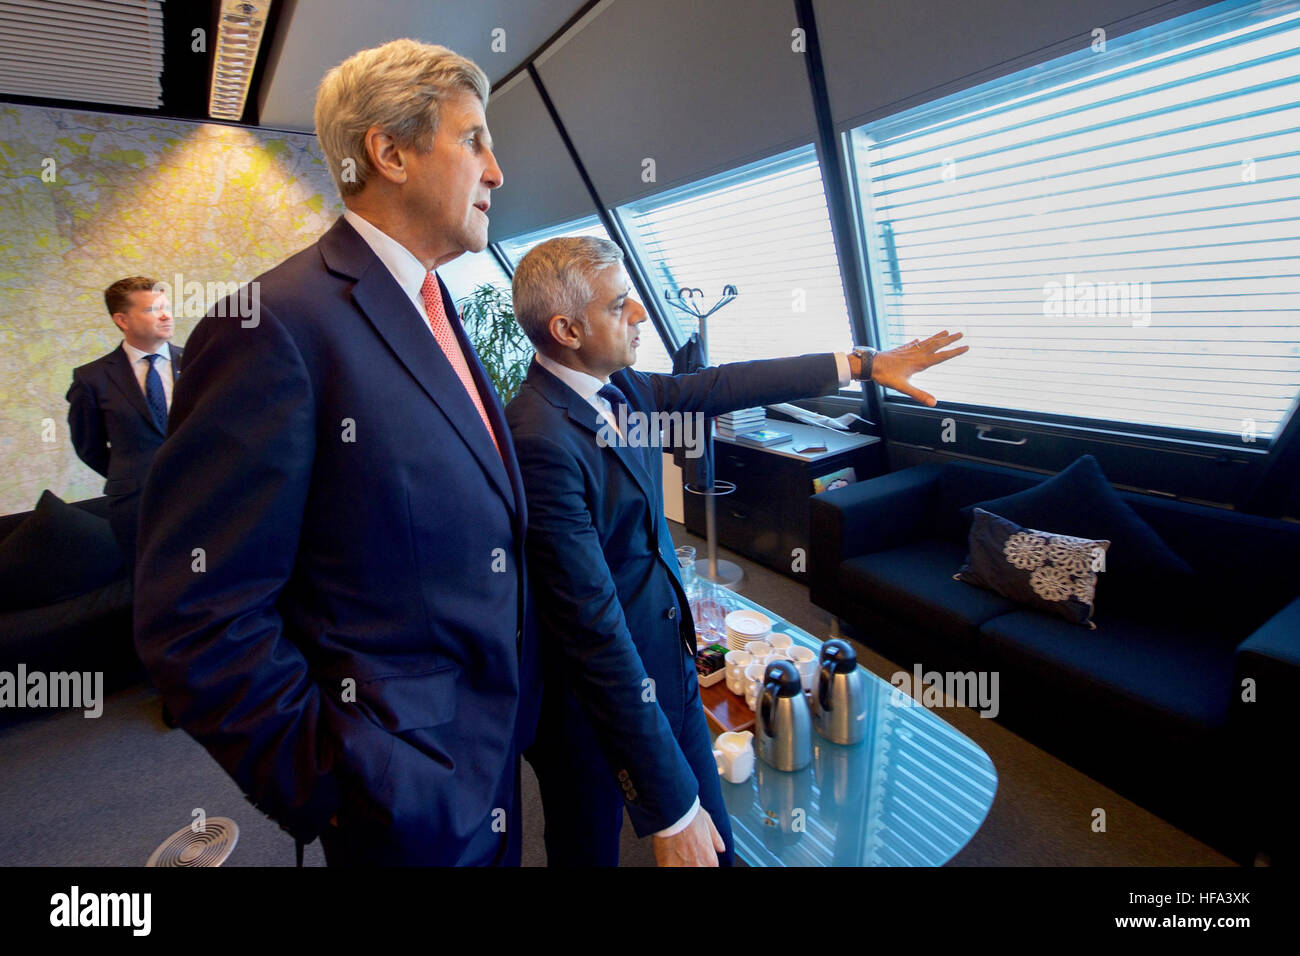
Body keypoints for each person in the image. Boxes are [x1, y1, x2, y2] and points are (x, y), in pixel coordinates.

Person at [132, 39, 538, 866]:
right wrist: (348, 789)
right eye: (474, 139)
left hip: (490, 753)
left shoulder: (437, 303)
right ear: (388, 152)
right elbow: (198, 614)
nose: (496, 171)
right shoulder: (271, 325)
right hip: (400, 794)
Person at [506, 237, 966, 866]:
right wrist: (669, 810)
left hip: (667, 662)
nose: (640, 314)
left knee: (717, 846)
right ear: (567, 328)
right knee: (586, 849)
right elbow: (592, 627)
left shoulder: (623, 389)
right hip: (590, 703)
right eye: (621, 305)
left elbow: (721, 385)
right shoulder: (536, 437)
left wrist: (860, 363)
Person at [67, 276, 181, 569]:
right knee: (150, 591)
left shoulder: (198, 361)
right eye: (152, 310)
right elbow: (88, 447)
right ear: (122, 320)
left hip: (205, 499)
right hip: (136, 507)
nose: (166, 315)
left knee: (212, 583)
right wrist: (130, 475)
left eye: (166, 307)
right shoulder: (91, 379)